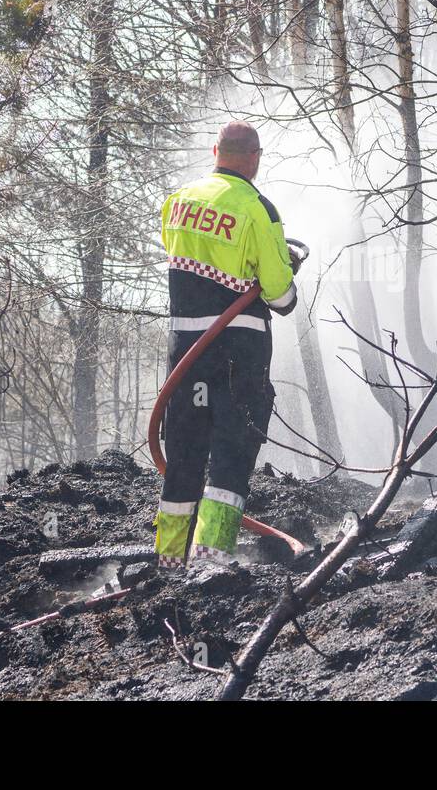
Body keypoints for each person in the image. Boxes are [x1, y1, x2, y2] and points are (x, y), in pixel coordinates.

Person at [154, 121, 302, 568]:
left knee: (183, 454)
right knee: (232, 451)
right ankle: (212, 557)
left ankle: (170, 559)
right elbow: (280, 296)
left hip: (185, 351)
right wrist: (286, 270)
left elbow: (184, 261)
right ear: (254, 158)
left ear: (215, 150)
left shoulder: (177, 201)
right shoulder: (258, 208)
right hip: (238, 349)